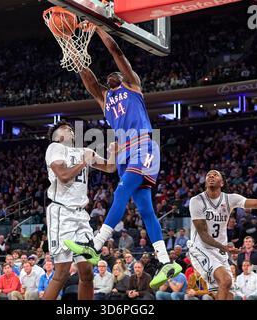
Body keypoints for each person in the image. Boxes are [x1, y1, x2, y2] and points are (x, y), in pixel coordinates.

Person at [64, 24, 181, 289]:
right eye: (110, 75)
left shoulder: (133, 85)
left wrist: (98, 29)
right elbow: (85, 73)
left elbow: (116, 51)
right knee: (145, 209)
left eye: (116, 71)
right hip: (124, 154)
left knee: (120, 194)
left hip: (144, 147)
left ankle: (94, 245)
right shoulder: (104, 98)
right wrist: (71, 45)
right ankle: (166, 262)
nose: (113, 73)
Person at [42, 121, 116, 300]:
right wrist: (85, 163)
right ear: (57, 136)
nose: (70, 131)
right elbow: (64, 176)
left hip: (81, 215)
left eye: (71, 129)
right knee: (62, 273)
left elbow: (110, 168)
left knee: (87, 273)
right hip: (62, 212)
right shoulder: (55, 147)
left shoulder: (84, 151)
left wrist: (113, 152)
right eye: (65, 129)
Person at [188, 168, 257, 300]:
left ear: (222, 183)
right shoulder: (197, 201)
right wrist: (224, 248)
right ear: (205, 182)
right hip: (200, 247)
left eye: (215, 175)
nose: (211, 176)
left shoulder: (230, 199)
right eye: (208, 175)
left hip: (219, 251)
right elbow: (203, 235)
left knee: (229, 294)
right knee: (226, 280)